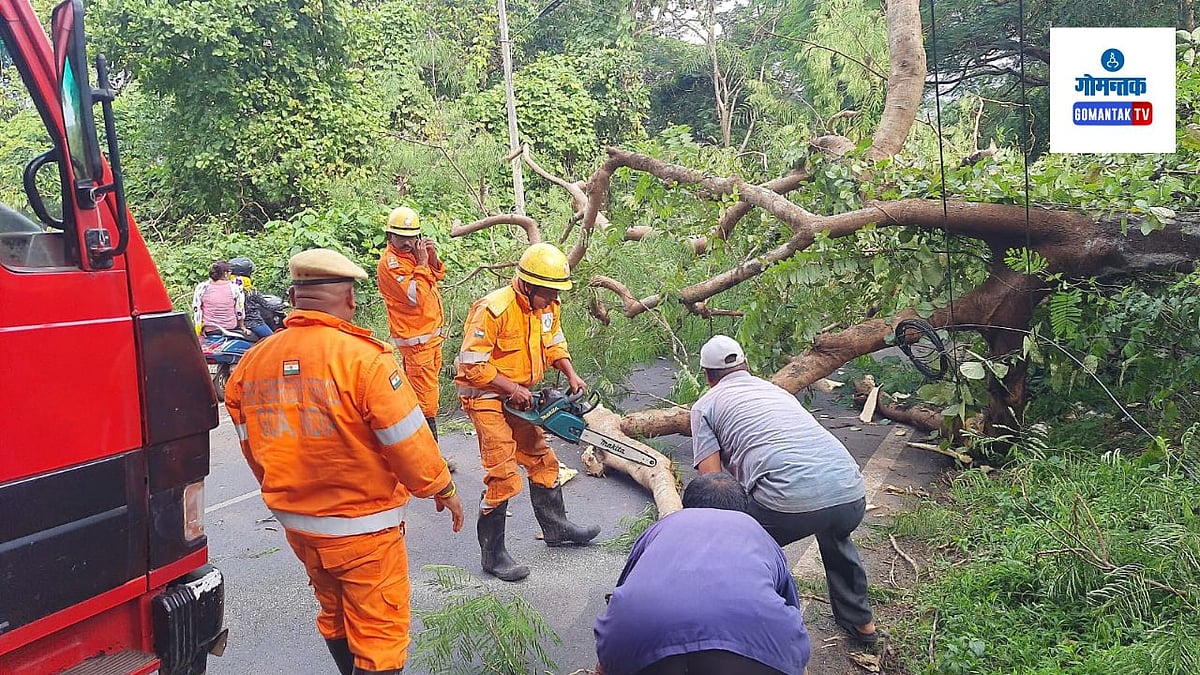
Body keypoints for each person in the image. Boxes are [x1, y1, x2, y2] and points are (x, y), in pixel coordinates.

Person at [224, 248, 464, 675]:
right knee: (380, 635)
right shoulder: (365, 360)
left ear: (294, 297)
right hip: (363, 530)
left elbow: (254, 451)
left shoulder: (251, 364)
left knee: (333, 612)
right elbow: (409, 441)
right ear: (350, 299)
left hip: (301, 527)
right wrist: (442, 488)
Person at [691, 334, 880, 645]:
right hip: (850, 493)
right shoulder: (775, 392)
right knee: (835, 533)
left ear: (707, 376)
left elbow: (713, 482)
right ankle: (862, 624)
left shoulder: (705, 405)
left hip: (789, 504)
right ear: (746, 365)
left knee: (737, 546)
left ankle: (754, 630)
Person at [455, 242, 599, 582]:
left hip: (520, 396)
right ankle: (493, 555)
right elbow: (471, 366)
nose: (552, 299)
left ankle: (556, 527)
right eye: (547, 292)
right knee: (503, 473)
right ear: (528, 284)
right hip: (487, 397)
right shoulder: (494, 309)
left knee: (541, 459)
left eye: (554, 293)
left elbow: (553, 342)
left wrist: (570, 372)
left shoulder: (547, 305)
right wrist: (512, 389)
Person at [594, 472, 811, 675]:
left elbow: (623, 590)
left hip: (642, 637)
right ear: (743, 510)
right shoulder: (759, 534)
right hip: (749, 647)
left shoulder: (661, 527)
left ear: (686, 505)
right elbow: (791, 607)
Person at [376, 207, 455, 471]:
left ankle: (420, 457)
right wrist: (421, 263)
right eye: (401, 237)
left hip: (431, 341)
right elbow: (416, 297)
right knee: (426, 405)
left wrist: (430, 258)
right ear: (390, 236)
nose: (408, 242)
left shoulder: (413, 257)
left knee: (423, 401)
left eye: (412, 237)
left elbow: (437, 276)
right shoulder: (391, 263)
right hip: (416, 345)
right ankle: (431, 464)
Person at [191, 260, 246, 336]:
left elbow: (196, 309)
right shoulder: (235, 288)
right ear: (225, 274)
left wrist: (199, 329)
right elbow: (239, 310)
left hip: (209, 329)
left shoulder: (201, 287)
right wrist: (242, 326)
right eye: (230, 272)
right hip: (230, 328)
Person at [229, 256, 276, 340]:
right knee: (273, 341)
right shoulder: (249, 289)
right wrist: (284, 305)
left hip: (233, 323)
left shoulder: (227, 286)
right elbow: (267, 305)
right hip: (253, 323)